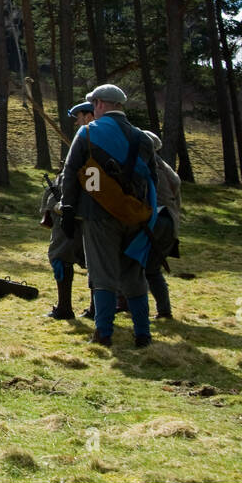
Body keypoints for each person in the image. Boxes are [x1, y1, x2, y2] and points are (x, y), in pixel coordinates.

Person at [60, 84, 158, 348]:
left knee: (102, 275)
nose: (93, 108)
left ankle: (103, 333)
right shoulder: (144, 139)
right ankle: (142, 334)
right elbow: (153, 182)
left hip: (98, 215)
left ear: (101, 104)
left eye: (93, 104)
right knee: (134, 275)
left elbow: (70, 173)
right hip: (135, 217)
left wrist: (67, 209)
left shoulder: (88, 133)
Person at [40, 102, 94, 320]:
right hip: (80, 213)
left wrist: (66, 206)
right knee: (92, 262)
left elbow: (86, 183)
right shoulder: (89, 143)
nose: (76, 121)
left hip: (73, 214)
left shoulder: (91, 144)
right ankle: (95, 309)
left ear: (90, 116)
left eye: (79, 116)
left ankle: (65, 308)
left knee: (60, 257)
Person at [142, 130, 181, 319]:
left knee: (135, 265)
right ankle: (164, 310)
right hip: (169, 223)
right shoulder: (167, 170)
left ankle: (128, 304)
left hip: (154, 221)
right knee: (151, 269)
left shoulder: (149, 167)